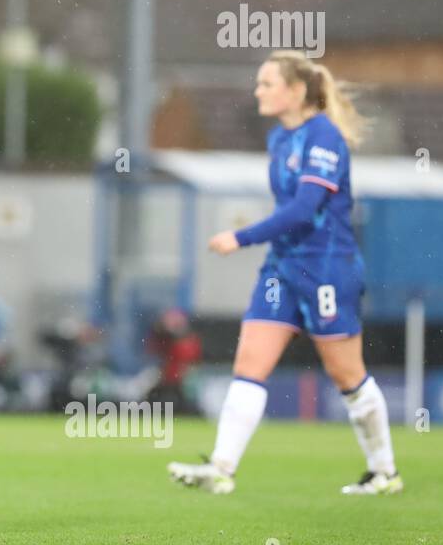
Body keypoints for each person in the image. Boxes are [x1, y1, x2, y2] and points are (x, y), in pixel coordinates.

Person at [168, 50, 401, 496]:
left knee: (347, 376)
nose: (258, 91)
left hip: (327, 269)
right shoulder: (279, 139)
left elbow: (303, 209)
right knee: (249, 365)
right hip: (282, 268)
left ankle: (384, 472)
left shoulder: (324, 138)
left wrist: (242, 236)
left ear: (295, 91)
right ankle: (221, 468)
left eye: (266, 83)